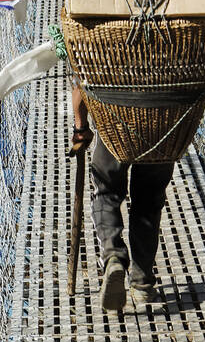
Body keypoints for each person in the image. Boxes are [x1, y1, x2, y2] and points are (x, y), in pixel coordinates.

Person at [70, 86, 172, 312]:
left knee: (107, 191)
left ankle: (113, 255)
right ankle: (142, 284)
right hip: (165, 120)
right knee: (149, 199)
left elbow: (80, 80)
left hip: (115, 117)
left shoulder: (103, 48)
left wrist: (81, 127)